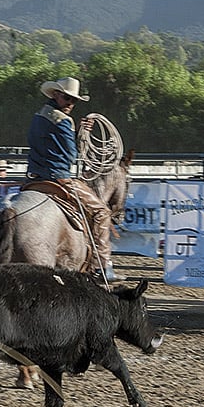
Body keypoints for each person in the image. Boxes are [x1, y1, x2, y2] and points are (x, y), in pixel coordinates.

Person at [27, 76, 121, 281]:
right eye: (67, 98)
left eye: (73, 100)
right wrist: (77, 135)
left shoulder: (38, 116)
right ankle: (103, 266)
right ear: (56, 95)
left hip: (33, 178)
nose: (70, 103)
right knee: (101, 213)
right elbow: (70, 155)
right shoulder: (64, 121)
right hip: (59, 178)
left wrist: (75, 132)